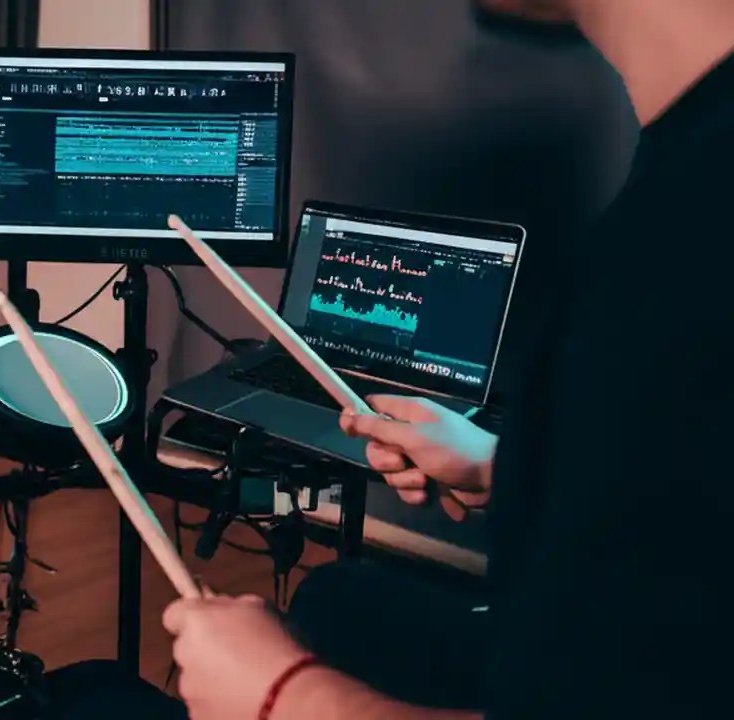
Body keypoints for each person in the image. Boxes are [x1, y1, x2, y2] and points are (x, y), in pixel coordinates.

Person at [46, 0, 734, 717]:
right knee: (337, 595)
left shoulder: (693, 236)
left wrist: (283, 696)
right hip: (569, 635)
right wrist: (506, 465)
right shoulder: (685, 177)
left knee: (88, 701)